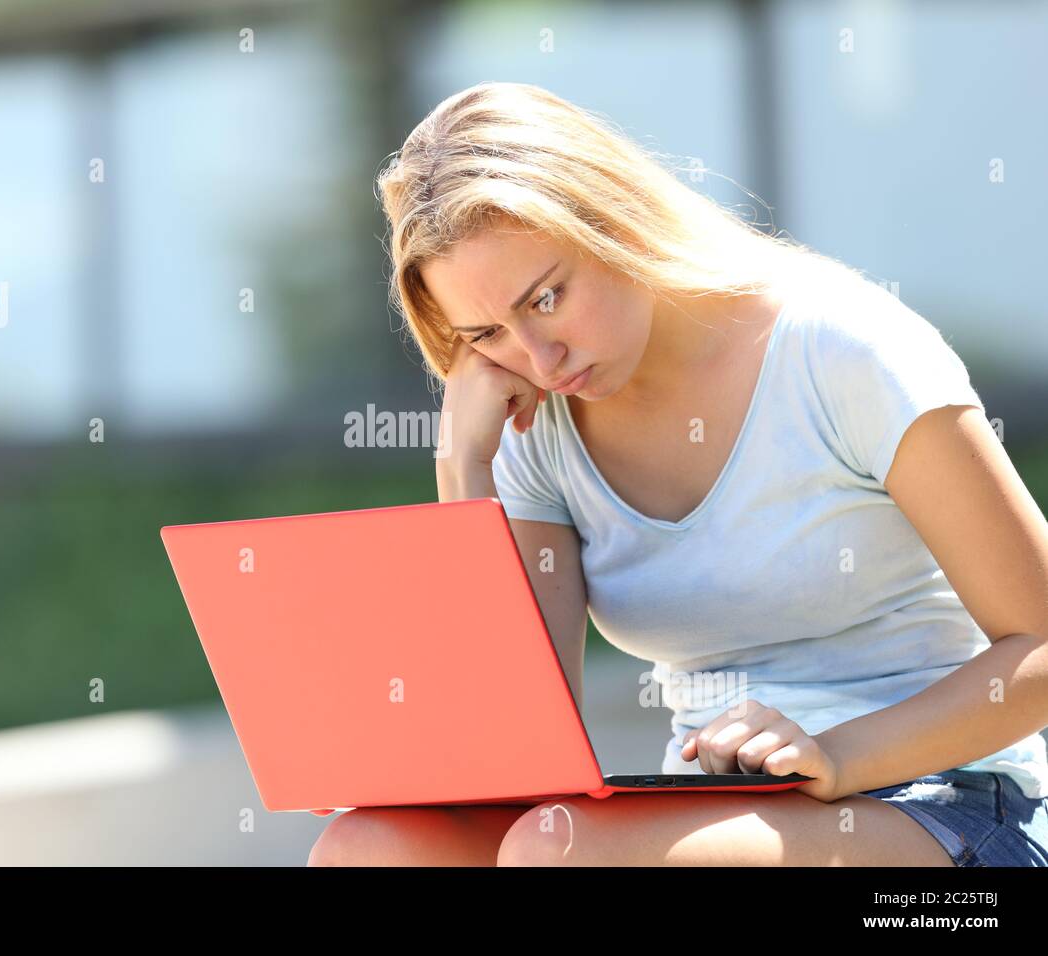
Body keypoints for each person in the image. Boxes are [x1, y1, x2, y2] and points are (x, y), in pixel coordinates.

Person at [307, 81, 1048, 866]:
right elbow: (515, 749)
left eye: (547, 297)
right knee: (371, 847)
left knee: (558, 855)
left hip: (952, 806)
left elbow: (1039, 646)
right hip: (716, 809)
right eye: (487, 331)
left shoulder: (842, 348)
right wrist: (462, 466)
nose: (537, 355)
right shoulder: (529, 411)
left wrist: (836, 755)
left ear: (613, 220)